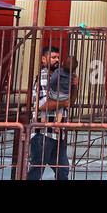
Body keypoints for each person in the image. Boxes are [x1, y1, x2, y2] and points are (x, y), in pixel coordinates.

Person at [28, 46, 70, 181]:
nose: (56, 60)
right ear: (44, 59)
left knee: (62, 171)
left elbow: (68, 100)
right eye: (53, 57)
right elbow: (42, 105)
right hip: (43, 133)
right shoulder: (44, 76)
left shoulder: (59, 76)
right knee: (36, 171)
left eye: (58, 57)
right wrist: (63, 102)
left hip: (56, 133)